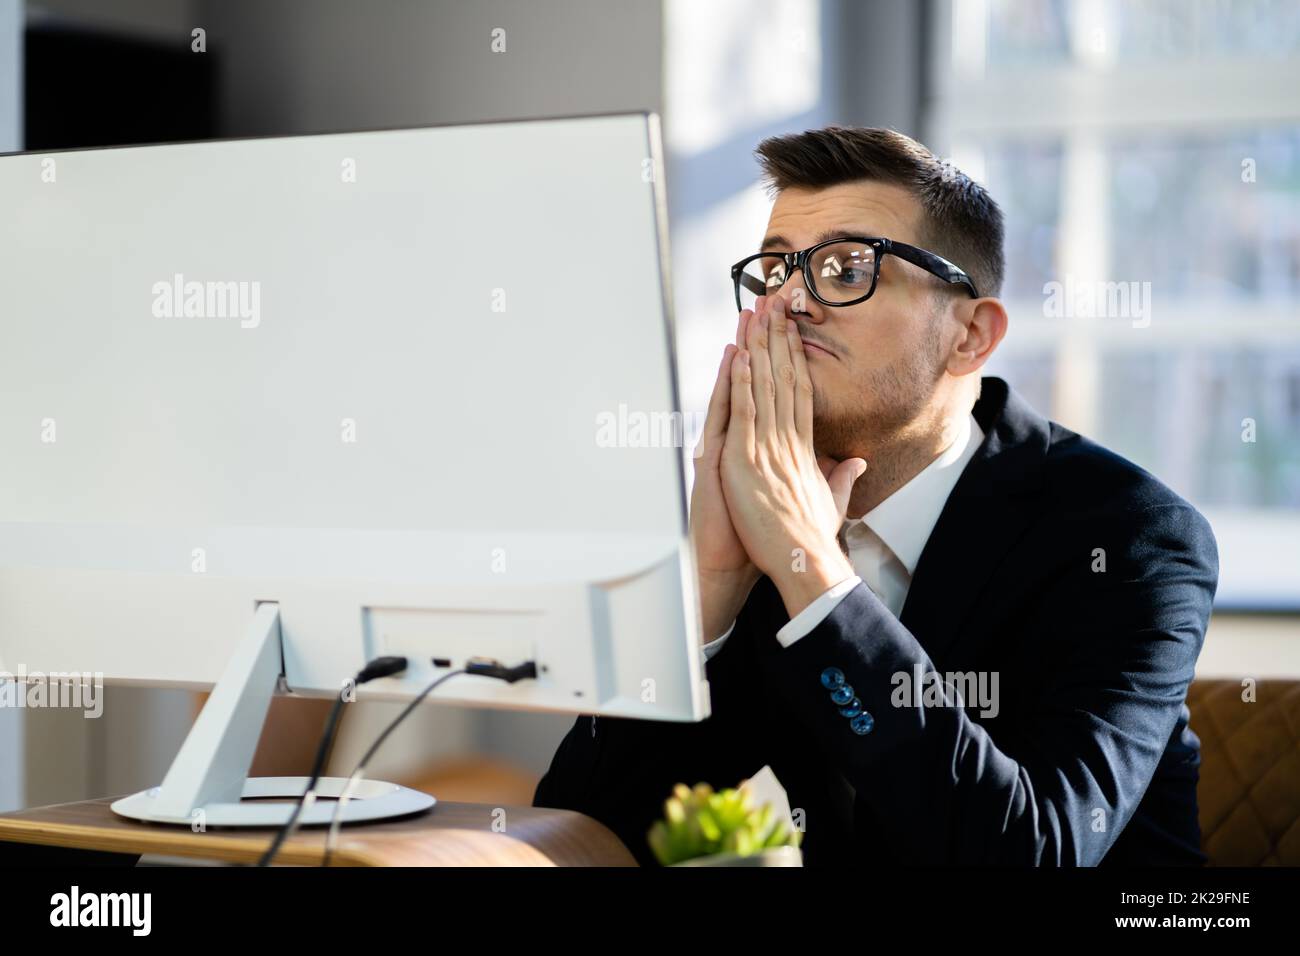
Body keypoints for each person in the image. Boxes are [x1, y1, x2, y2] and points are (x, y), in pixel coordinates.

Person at [534, 126, 1218, 866]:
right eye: (774, 269)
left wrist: (813, 576)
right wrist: (706, 592)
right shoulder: (753, 524)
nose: (790, 300)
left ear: (971, 336)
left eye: (845, 266)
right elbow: (584, 827)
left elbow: (1033, 851)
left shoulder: (1132, 538)